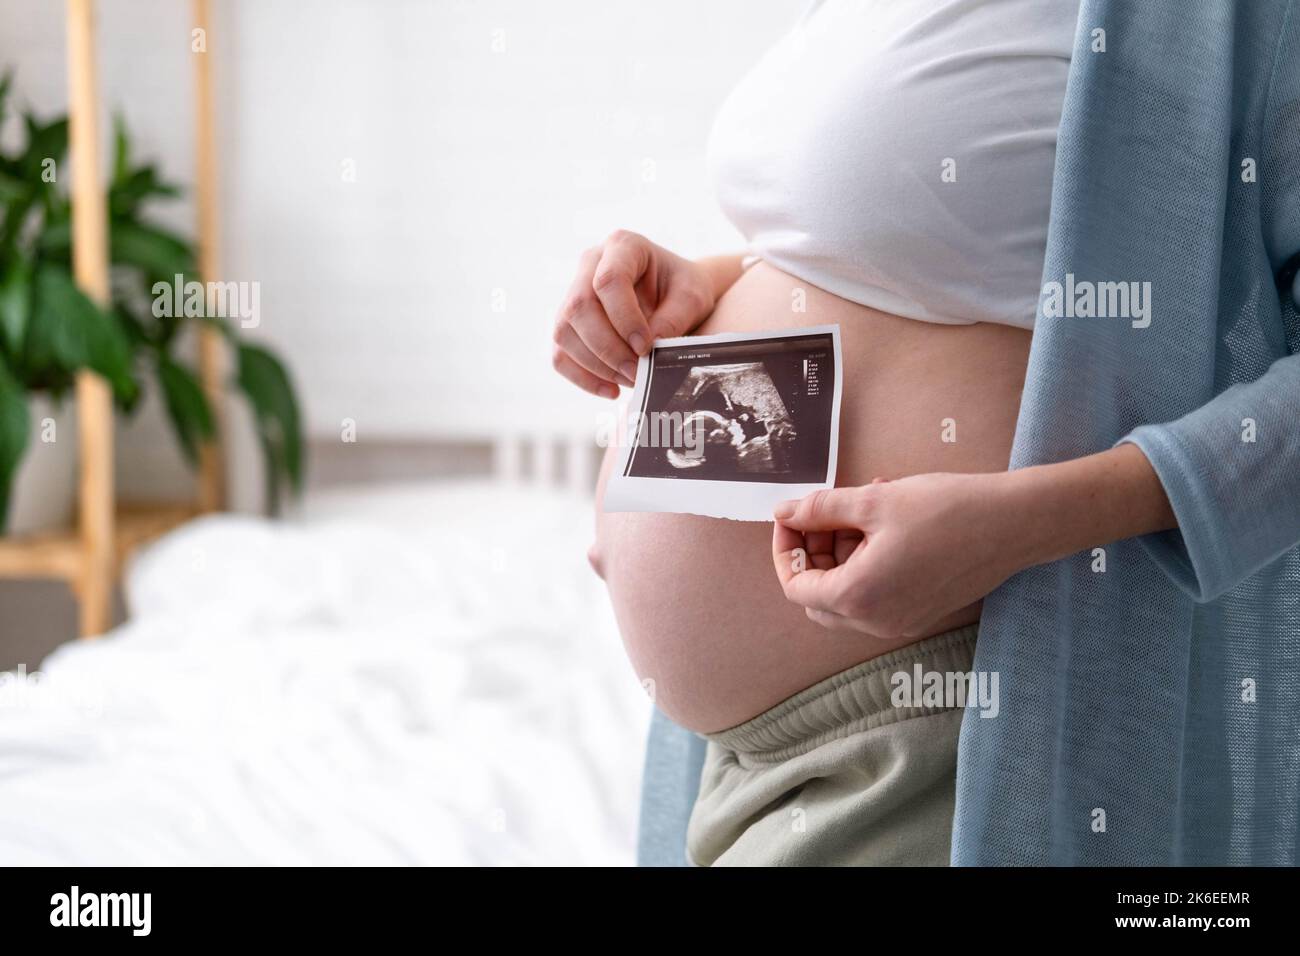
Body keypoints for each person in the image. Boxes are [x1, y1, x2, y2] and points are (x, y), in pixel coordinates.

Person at [552, 0, 1300, 866]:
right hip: (744, 748)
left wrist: (1021, 524)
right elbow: (895, 256)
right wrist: (709, 280)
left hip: (944, 699)